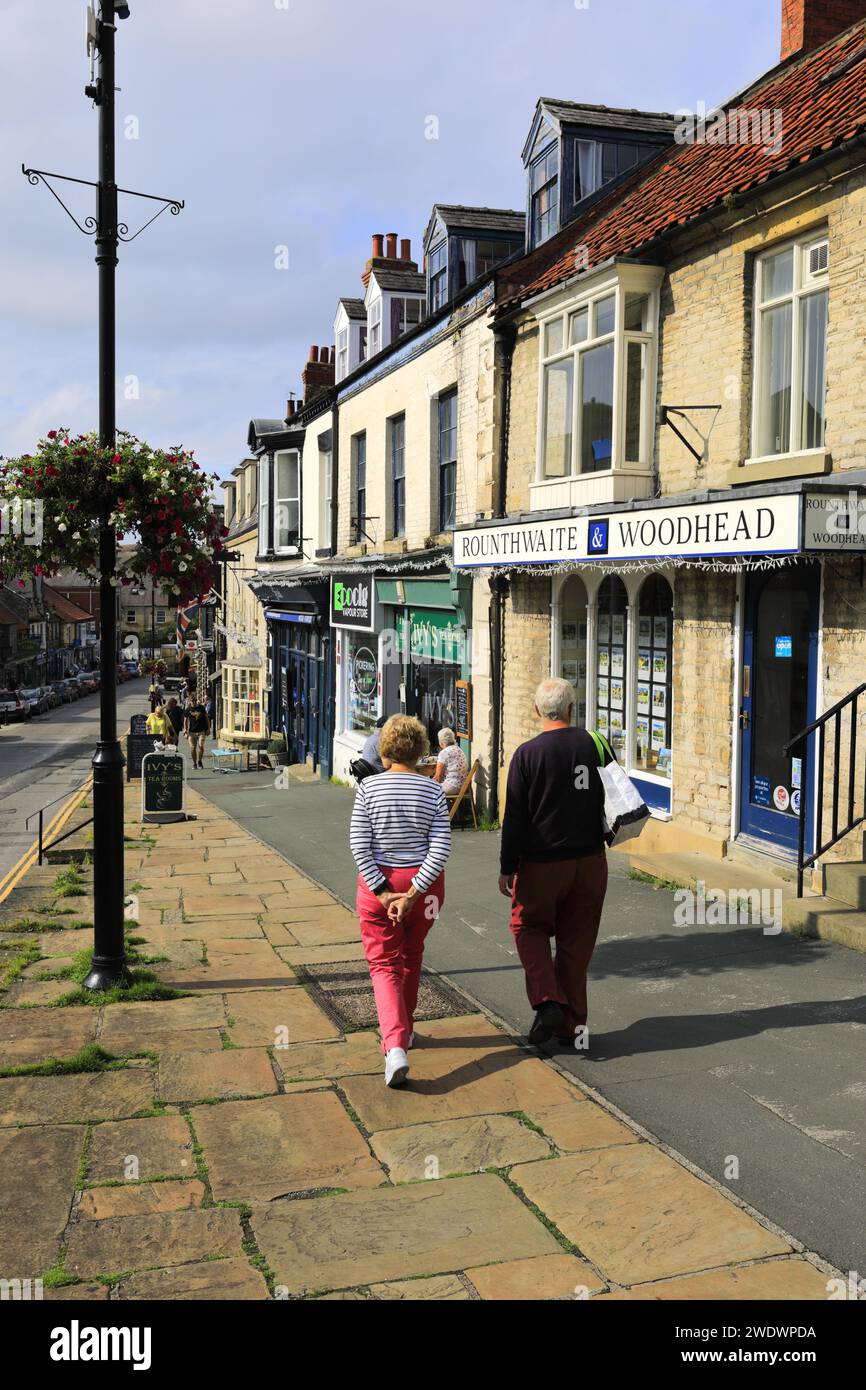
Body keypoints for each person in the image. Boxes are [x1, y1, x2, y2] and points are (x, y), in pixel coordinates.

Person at [499, 677, 611, 1048]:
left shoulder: (528, 755)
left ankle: (547, 999)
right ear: (571, 710)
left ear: (536, 711)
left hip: (543, 863)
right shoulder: (595, 745)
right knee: (576, 945)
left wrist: (508, 866)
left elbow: (515, 816)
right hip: (591, 861)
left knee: (527, 927)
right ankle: (573, 1027)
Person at [349, 714, 451, 1088]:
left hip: (380, 884)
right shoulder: (434, 791)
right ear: (421, 750)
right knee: (413, 955)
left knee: (383, 965)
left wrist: (382, 891)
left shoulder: (367, 790)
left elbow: (359, 845)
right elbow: (441, 847)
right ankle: (405, 1031)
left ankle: (394, 1046)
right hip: (425, 890)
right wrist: (413, 893)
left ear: (385, 749)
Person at [432, 727, 467, 796]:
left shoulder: (444, 753)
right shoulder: (459, 749)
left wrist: (428, 783)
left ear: (441, 742)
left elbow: (438, 777)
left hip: (452, 787)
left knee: (428, 789)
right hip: (463, 786)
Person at [186, 698, 210, 770]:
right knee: (193, 748)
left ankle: (199, 761)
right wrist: (185, 730)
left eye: (195, 700)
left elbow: (207, 718)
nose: (194, 702)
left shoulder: (201, 708)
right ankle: (194, 763)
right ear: (190, 701)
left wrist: (208, 728)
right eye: (192, 700)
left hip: (201, 731)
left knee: (201, 746)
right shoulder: (188, 709)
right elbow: (185, 720)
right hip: (191, 732)